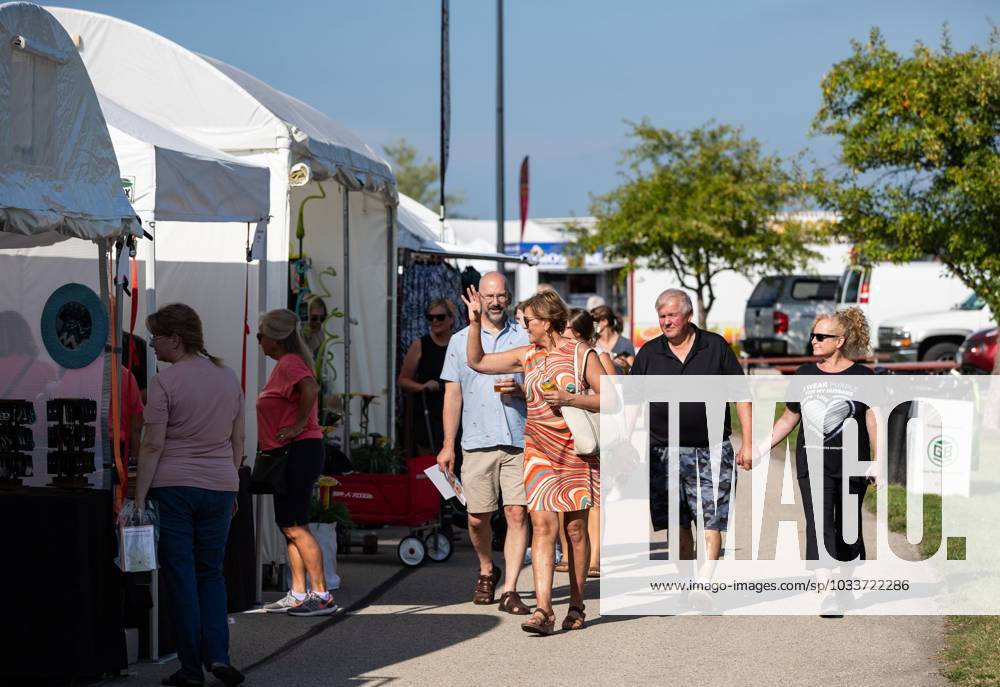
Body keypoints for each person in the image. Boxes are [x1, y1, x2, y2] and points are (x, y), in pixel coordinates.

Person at [464, 287, 604, 635]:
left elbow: (612, 398)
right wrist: (474, 322)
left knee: (574, 530)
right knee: (542, 527)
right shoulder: (528, 355)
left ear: (546, 321)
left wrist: (571, 398)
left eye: (528, 321)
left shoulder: (580, 353)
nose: (524, 326)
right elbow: (477, 362)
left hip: (575, 451)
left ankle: (576, 605)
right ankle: (544, 610)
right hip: (539, 451)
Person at [133, 303, 245, 687]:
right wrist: (231, 485)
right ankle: (219, 656)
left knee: (181, 576)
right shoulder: (229, 377)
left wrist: (137, 497)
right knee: (211, 574)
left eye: (156, 337)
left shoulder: (166, 382)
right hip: (219, 484)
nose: (151, 344)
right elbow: (239, 439)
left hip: (175, 486)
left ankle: (190, 667)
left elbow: (151, 446)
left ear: (175, 340)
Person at [760, 307, 881, 617]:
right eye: (813, 336)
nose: (813, 341)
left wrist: (878, 461)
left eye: (820, 336)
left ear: (839, 341)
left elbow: (873, 418)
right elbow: (789, 418)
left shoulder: (862, 376)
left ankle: (846, 581)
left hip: (853, 464)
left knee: (848, 529)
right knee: (819, 524)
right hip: (813, 465)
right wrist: (758, 448)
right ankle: (827, 591)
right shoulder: (804, 374)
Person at [630, 289, 751, 583]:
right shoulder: (649, 353)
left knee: (711, 518)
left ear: (687, 315)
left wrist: (747, 443)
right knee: (678, 523)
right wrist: (625, 442)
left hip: (711, 449)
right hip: (664, 453)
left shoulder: (715, 346)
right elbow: (632, 402)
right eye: (662, 316)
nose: (666, 322)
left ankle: (705, 582)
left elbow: (741, 396)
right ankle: (686, 582)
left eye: (672, 315)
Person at [438, 272, 531, 613]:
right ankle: (486, 568)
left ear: (509, 297)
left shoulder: (525, 337)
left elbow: (541, 386)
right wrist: (448, 444)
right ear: (477, 299)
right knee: (478, 517)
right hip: (477, 440)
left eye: (501, 296)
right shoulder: (460, 340)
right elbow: (453, 394)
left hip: (519, 439)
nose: (494, 302)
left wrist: (522, 391)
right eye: (489, 296)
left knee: (517, 513)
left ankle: (510, 590)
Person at [257, 309, 339, 617]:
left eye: (260, 335)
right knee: (289, 526)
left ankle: (321, 594)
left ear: (276, 338)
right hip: (288, 452)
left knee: (297, 525)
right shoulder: (283, 364)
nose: (258, 341)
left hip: (297, 451)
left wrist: (297, 424)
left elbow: (311, 389)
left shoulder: (290, 363)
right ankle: (298, 592)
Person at [558, 308, 616, 578]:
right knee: (565, 498)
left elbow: (615, 393)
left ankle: (595, 558)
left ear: (579, 334)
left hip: (596, 433)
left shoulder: (598, 355)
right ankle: (567, 554)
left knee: (595, 499)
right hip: (568, 432)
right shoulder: (560, 356)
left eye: (565, 330)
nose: (560, 334)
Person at [398, 298, 457, 454]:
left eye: (440, 317)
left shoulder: (460, 343)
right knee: (429, 464)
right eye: (430, 317)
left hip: (456, 412)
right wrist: (422, 386)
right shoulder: (420, 344)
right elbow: (403, 380)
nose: (435, 321)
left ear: (451, 318)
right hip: (428, 414)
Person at [591, 304, 635, 373]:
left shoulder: (625, 344)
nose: (592, 325)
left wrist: (626, 367)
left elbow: (635, 373)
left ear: (605, 322)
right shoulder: (592, 344)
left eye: (594, 322)